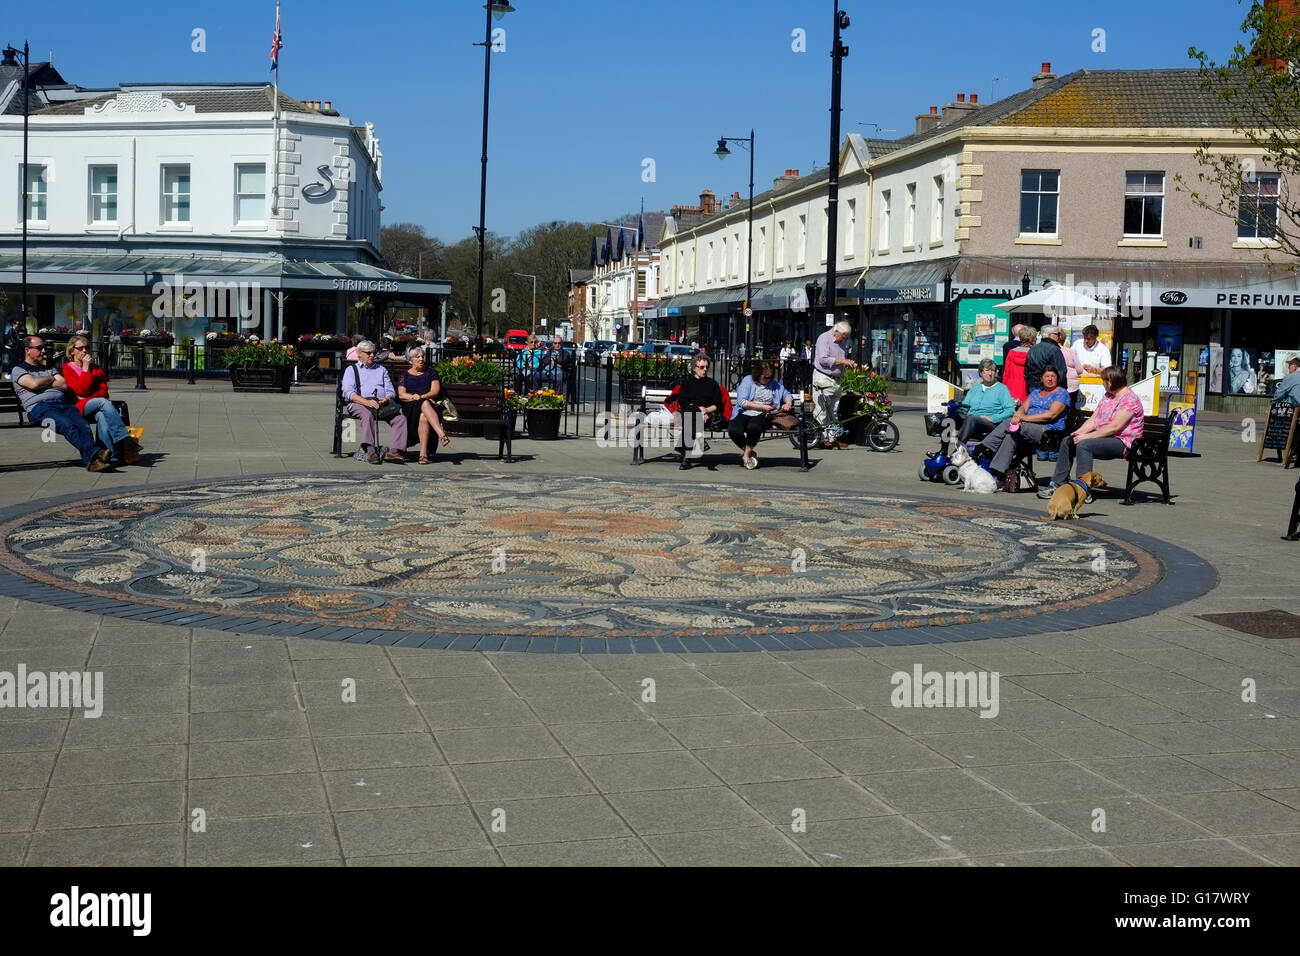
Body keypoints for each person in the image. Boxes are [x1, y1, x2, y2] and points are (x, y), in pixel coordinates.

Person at [11, 336, 114, 472]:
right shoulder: (19, 370)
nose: (43, 351)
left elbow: (63, 385)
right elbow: (33, 383)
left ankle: (93, 463)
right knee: (68, 425)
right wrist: (51, 380)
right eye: (40, 348)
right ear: (27, 350)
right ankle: (97, 453)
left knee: (83, 425)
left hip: (62, 404)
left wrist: (42, 383)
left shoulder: (49, 368)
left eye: (44, 348)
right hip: (39, 408)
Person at [1041, 365, 1144, 499]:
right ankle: (1057, 484)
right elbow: (1094, 420)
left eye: (1104, 381)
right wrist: (1078, 433)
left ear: (1112, 381)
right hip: (1105, 436)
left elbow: (1115, 427)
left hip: (1123, 441)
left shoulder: (1129, 399)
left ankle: (1083, 490)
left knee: (1085, 445)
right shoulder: (1109, 396)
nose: (1103, 384)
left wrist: (1086, 437)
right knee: (1068, 441)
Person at [981, 366, 1071, 484]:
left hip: (1049, 431)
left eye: (1053, 376)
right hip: (1028, 427)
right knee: (1011, 436)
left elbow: (1051, 415)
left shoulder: (1061, 393)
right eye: (1047, 376)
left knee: (1010, 423)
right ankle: (999, 473)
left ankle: (982, 448)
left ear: (1057, 378)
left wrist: (1024, 418)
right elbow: (1023, 407)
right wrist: (1018, 415)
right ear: (1041, 379)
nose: (1050, 379)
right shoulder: (1035, 393)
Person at [60, 335, 140, 465]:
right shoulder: (67, 369)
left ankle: (110, 456)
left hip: (96, 405)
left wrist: (88, 397)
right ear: (72, 351)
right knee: (103, 403)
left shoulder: (96, 368)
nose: (84, 351)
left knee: (102, 415)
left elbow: (104, 392)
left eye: (87, 348)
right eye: (80, 348)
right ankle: (124, 439)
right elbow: (80, 391)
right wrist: (85, 369)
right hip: (78, 408)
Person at [342, 340, 407, 464]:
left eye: (373, 352)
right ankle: (370, 450)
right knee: (367, 415)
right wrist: (367, 403)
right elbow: (349, 393)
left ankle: (394, 451)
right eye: (369, 353)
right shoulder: (351, 370)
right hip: (359, 403)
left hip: (381, 403)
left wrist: (387, 398)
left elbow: (390, 391)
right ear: (359, 354)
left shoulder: (381, 369)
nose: (372, 355)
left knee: (400, 419)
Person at [666, 354, 729, 470]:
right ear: (695, 368)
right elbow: (683, 402)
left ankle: (686, 459)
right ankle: (699, 437)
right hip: (691, 413)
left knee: (690, 420)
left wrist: (706, 410)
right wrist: (700, 410)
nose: (705, 369)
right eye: (701, 367)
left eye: (707, 367)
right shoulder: (687, 383)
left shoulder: (712, 384)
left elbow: (718, 404)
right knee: (691, 411)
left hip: (707, 417)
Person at [729, 360, 795, 469]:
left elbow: (786, 393)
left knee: (754, 427)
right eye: (765, 377)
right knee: (734, 429)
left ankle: (746, 456)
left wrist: (788, 403)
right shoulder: (748, 381)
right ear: (757, 375)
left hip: (765, 414)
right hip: (746, 411)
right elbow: (742, 402)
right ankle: (750, 452)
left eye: (770, 377)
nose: (768, 380)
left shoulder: (773, 384)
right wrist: (761, 406)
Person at [397, 345, 449, 464]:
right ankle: (441, 433)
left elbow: (435, 392)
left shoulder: (431, 373)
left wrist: (421, 397)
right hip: (410, 407)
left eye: (422, 356)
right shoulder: (404, 375)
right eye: (417, 357)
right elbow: (401, 394)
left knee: (424, 415)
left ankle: (423, 454)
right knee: (424, 404)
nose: (421, 359)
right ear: (410, 360)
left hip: (430, 408)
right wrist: (415, 397)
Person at [813, 320, 858, 449]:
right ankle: (822, 438)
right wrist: (843, 361)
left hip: (836, 379)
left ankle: (832, 438)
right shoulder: (824, 338)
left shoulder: (842, 341)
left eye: (846, 337)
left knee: (833, 410)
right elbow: (823, 359)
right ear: (836, 331)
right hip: (823, 377)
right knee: (821, 410)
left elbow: (841, 359)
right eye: (844, 336)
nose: (845, 339)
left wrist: (846, 364)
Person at [953, 358, 1016, 444]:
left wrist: (993, 418)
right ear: (981, 373)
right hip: (971, 421)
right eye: (987, 370)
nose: (990, 373)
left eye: (993, 371)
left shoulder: (1002, 389)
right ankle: (943, 451)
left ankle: (958, 449)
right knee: (951, 415)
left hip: (990, 424)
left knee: (971, 419)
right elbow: (964, 407)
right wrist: (953, 409)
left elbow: (1010, 410)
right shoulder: (975, 389)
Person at [1025, 324, 1068, 395]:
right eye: (1057, 334)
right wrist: (1062, 389)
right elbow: (1061, 372)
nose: (1059, 337)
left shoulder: (1032, 349)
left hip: (1033, 387)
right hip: (1050, 388)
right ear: (1049, 335)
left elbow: (1026, 371)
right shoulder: (1054, 350)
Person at [1002, 326, 1033, 404]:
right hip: (1026, 389)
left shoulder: (1011, 352)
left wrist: (1004, 390)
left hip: (1011, 388)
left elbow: (1006, 373)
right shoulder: (1033, 353)